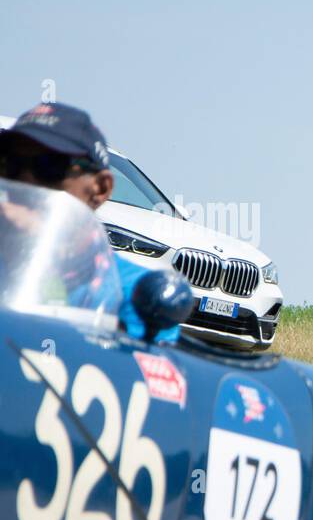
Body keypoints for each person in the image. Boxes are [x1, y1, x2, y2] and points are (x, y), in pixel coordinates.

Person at [0, 103, 179, 342]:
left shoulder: (137, 293)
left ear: (101, 188)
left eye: (50, 165)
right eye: (9, 164)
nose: (24, 179)